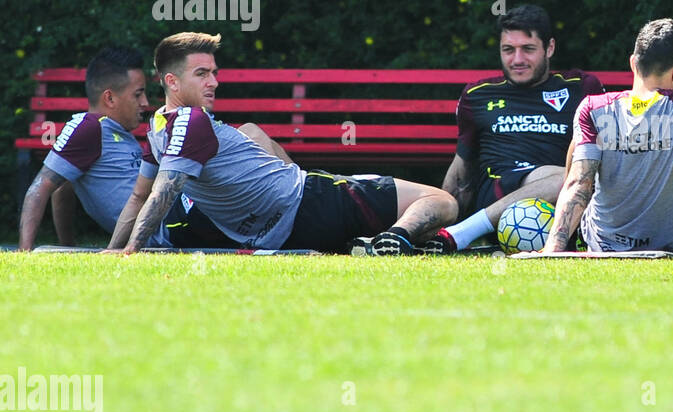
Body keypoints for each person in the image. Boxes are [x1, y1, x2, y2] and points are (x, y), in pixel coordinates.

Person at [113, 32, 458, 255]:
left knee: (251, 130)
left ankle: (378, 238)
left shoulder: (158, 129)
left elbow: (138, 196)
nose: (214, 82)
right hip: (312, 202)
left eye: (214, 72)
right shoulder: (191, 121)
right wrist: (131, 250)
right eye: (202, 74)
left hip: (287, 230)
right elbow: (160, 194)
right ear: (171, 81)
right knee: (442, 201)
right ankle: (394, 238)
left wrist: (116, 250)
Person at [542, 18, 673, 259]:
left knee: (579, 145)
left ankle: (566, 241)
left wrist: (552, 249)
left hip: (601, 245)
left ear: (633, 62)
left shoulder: (592, 107)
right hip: (672, 247)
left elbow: (578, 182)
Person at [18, 46, 234, 251]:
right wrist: (25, 252)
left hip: (182, 213)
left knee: (250, 147)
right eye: (138, 94)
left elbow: (62, 187)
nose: (145, 102)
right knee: (251, 147)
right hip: (173, 224)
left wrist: (67, 245)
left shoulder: (119, 133)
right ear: (110, 98)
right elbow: (42, 187)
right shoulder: (88, 126)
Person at [432, 4, 604, 252]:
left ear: (550, 48)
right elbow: (461, 175)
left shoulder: (580, 87)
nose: (517, 59)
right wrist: (438, 223)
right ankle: (464, 232)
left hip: (562, 203)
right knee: (569, 178)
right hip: (499, 190)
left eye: (528, 49)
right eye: (508, 50)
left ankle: (467, 231)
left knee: (572, 177)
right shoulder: (478, 94)